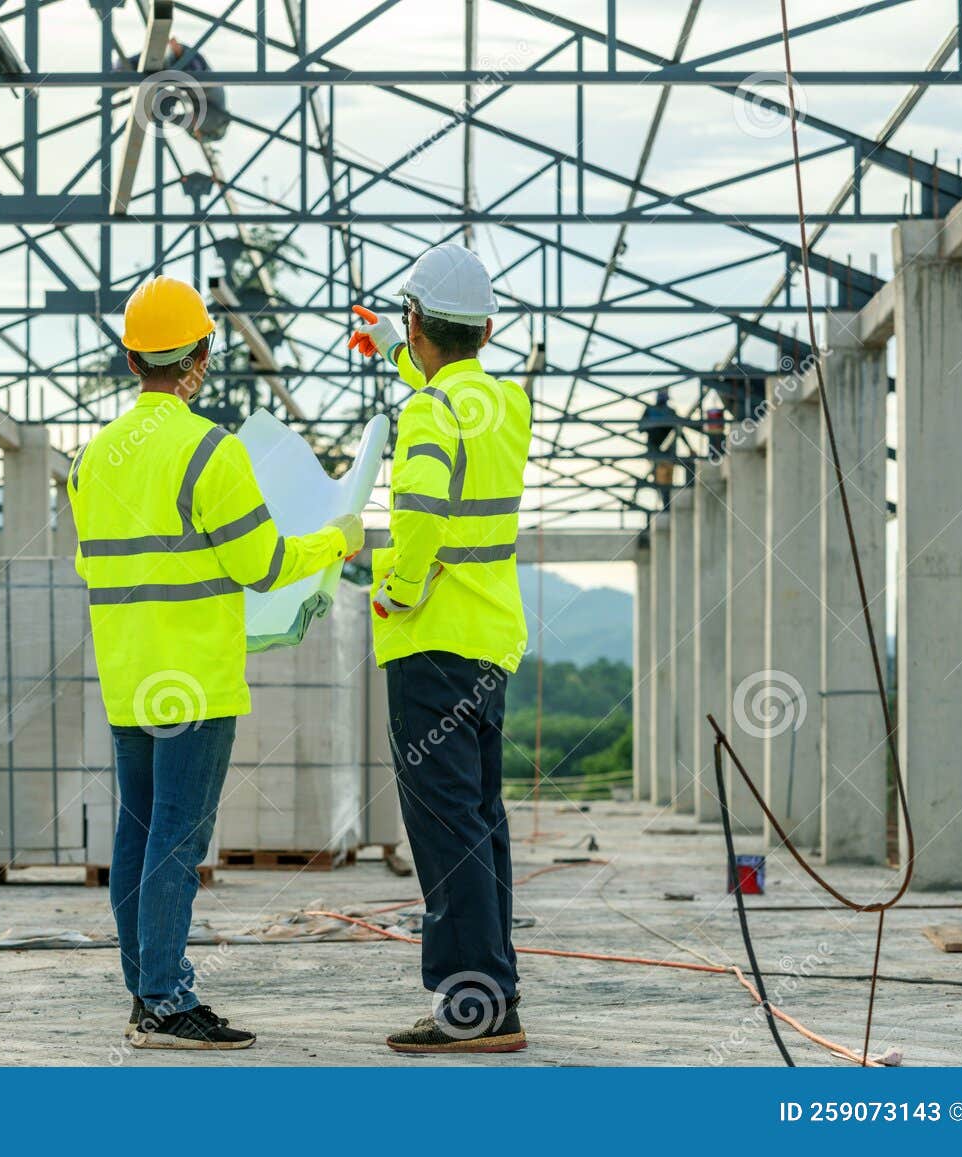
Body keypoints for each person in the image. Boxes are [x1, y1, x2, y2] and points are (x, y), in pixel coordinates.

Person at [69, 276, 364, 1050]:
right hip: (194, 679)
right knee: (175, 839)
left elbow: (99, 565)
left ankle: (147, 993)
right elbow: (262, 563)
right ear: (199, 355)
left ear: (132, 359)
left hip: (131, 678)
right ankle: (164, 1001)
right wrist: (338, 538)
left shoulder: (92, 460)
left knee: (138, 833)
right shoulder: (211, 450)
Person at [350, 242, 532, 1054]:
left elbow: (419, 517)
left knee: (445, 827)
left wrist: (395, 587)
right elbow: (453, 387)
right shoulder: (506, 403)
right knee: (478, 818)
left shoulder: (425, 413)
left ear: (422, 323)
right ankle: (494, 991)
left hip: (430, 641)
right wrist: (399, 345)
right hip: (490, 639)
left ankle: (472, 1008)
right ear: (488, 331)